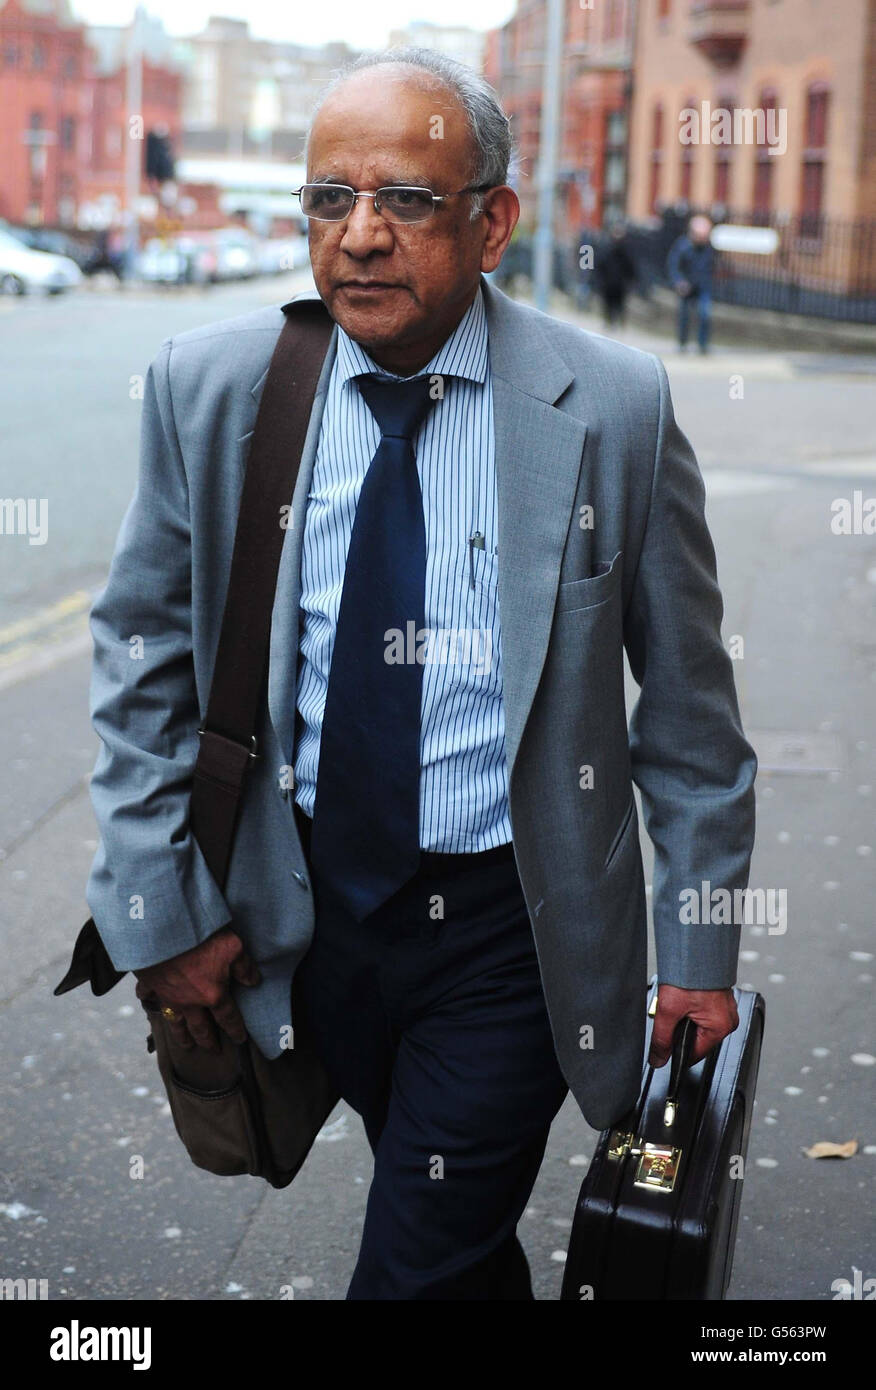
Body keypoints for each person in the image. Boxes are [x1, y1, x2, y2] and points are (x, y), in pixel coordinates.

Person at [85, 48, 756, 1300]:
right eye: (329, 201)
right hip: (301, 915)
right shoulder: (217, 390)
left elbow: (691, 716)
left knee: (413, 1260)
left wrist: (702, 948)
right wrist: (162, 915)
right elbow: (141, 668)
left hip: (509, 929)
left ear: (493, 223)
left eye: (405, 199)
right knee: (444, 1223)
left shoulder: (610, 406)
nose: (360, 237)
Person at [667, 213, 715, 352]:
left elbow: (711, 265)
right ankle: (682, 342)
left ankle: (703, 344)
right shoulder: (682, 246)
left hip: (702, 285)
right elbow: (673, 265)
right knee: (684, 316)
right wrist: (679, 281)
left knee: (705, 314)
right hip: (686, 286)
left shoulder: (708, 248)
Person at [593, 220, 638, 327]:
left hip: (620, 283)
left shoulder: (627, 248)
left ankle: (617, 322)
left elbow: (631, 265)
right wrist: (599, 278)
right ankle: (608, 321)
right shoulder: (606, 246)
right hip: (608, 282)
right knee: (607, 303)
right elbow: (600, 263)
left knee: (619, 304)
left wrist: (631, 280)